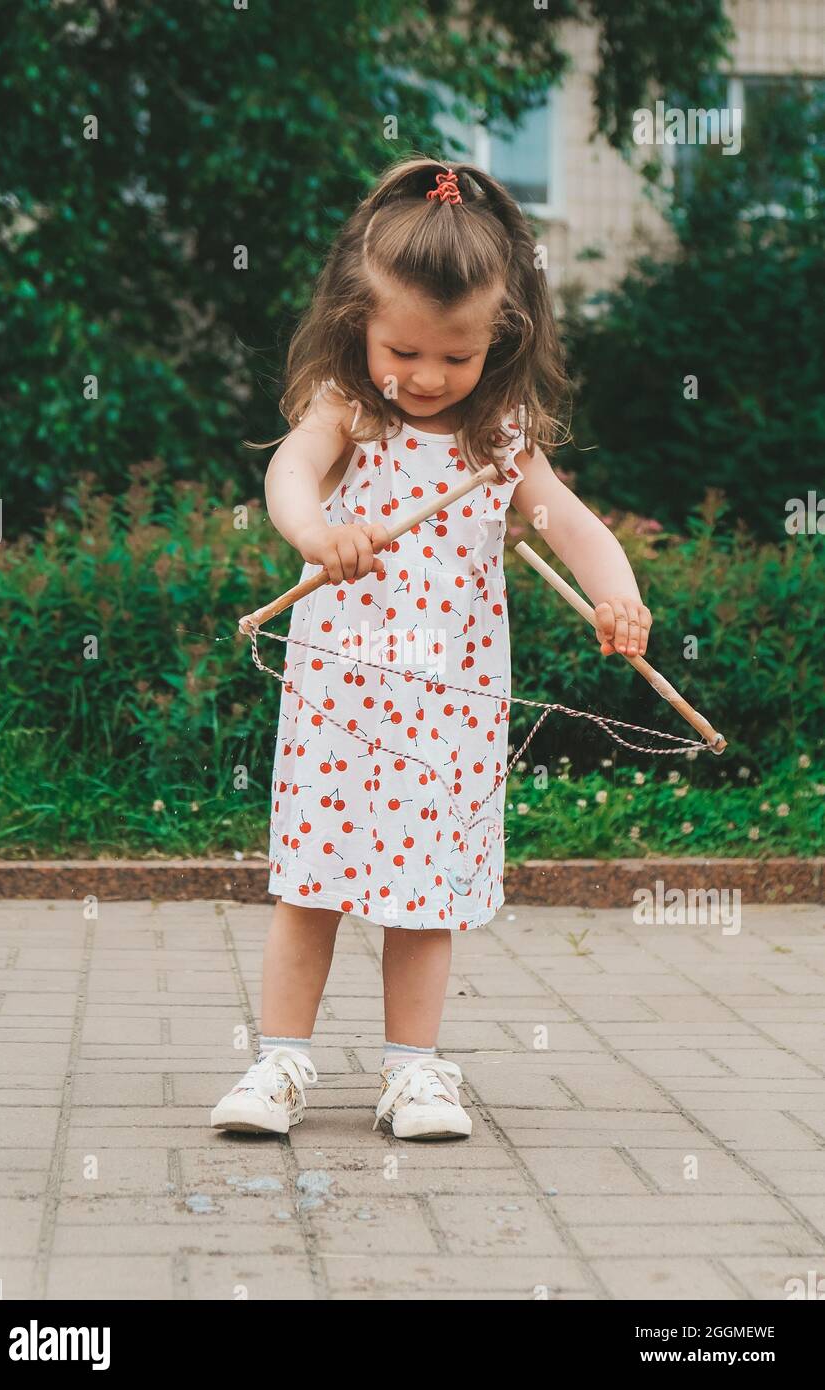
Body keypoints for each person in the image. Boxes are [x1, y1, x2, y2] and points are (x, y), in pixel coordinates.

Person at [211, 158, 652, 1141]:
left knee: (421, 900)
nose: (420, 376)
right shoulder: (347, 407)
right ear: (356, 322)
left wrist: (616, 593)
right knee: (311, 887)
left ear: (497, 337)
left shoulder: (500, 437)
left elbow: (576, 530)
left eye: (451, 358)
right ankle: (280, 1061)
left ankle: (413, 1073)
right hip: (340, 694)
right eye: (399, 348)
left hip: (448, 705)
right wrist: (312, 534)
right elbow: (290, 473)